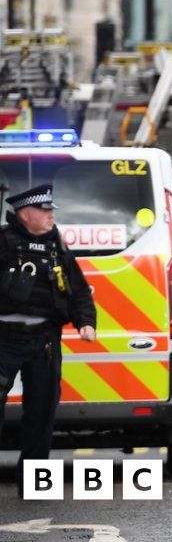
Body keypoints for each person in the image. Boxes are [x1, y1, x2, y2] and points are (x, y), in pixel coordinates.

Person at [0, 183, 96, 487]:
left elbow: (78, 290)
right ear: (25, 214)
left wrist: (86, 322)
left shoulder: (57, 246)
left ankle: (34, 480)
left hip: (43, 340)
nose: (51, 215)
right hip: (3, 339)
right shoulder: (3, 242)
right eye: (44, 211)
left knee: (42, 411)